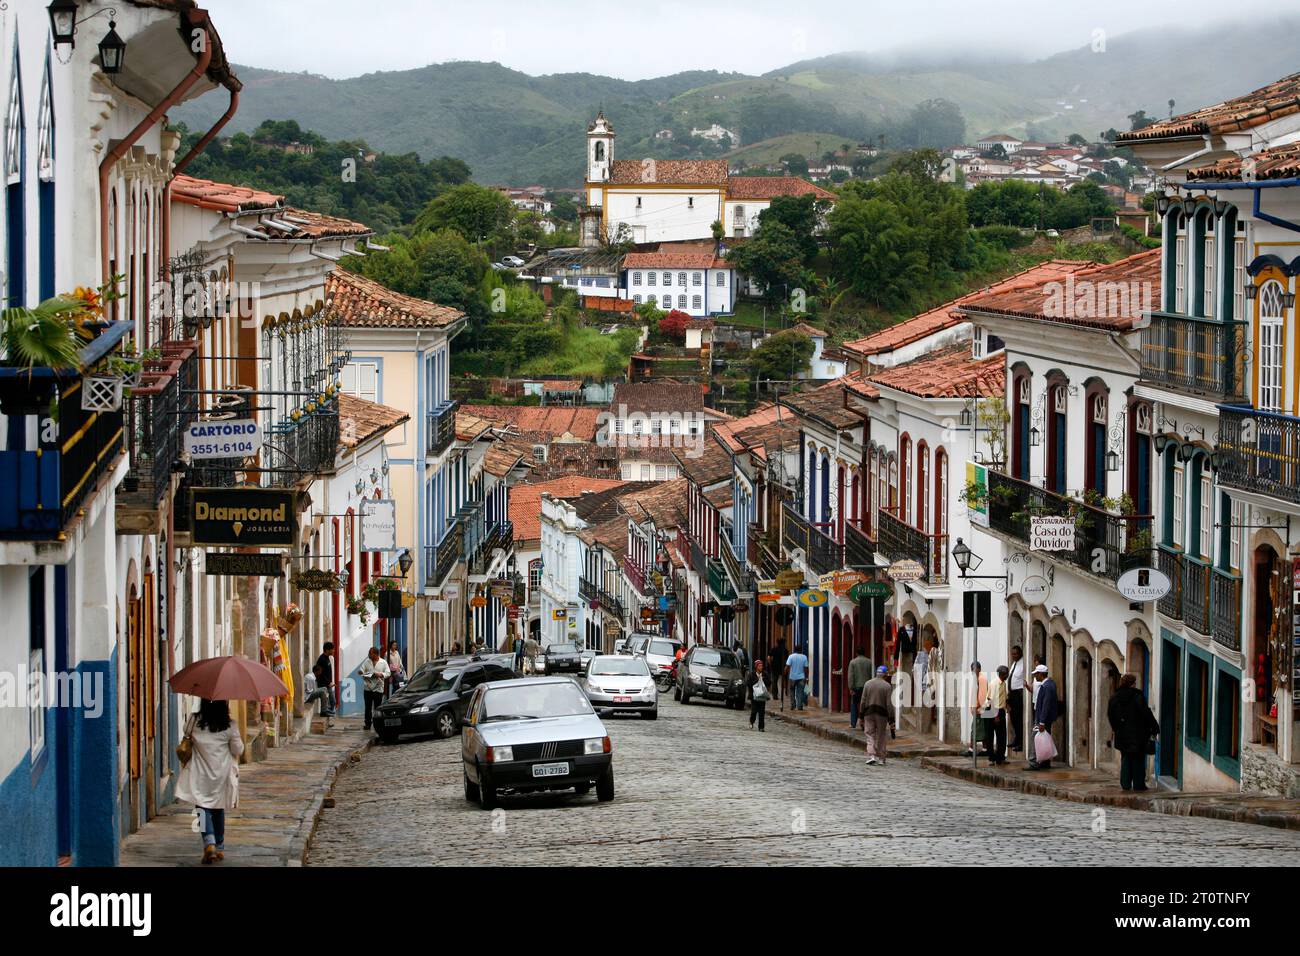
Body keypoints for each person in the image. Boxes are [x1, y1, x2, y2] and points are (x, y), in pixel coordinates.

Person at [175, 698, 244, 864]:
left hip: (200, 773)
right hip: (221, 773)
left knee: (202, 807)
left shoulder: (195, 720)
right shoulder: (230, 725)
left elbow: (186, 731)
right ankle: (218, 846)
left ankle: (209, 843)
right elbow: (238, 749)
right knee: (218, 807)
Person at [1108, 673, 1159, 791]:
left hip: (1122, 734)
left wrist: (1117, 729)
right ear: (1132, 684)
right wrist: (1155, 728)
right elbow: (1146, 714)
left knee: (1125, 758)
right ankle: (1138, 785)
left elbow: (1111, 716)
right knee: (1138, 760)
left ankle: (1125, 784)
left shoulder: (1114, 698)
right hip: (1138, 734)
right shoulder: (1138, 697)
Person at [1028, 663, 1059, 770]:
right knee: (1044, 740)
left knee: (1035, 738)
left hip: (1042, 719)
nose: (1035, 676)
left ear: (1041, 674)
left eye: (1036, 674)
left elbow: (1046, 705)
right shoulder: (1048, 684)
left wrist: (1041, 722)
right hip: (1043, 718)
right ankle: (1045, 762)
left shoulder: (1047, 686)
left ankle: (1034, 763)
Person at [862, 666, 894, 766]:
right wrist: (891, 718)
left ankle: (871, 755)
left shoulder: (867, 683)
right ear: (885, 675)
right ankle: (881, 758)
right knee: (881, 735)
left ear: (876, 673)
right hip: (882, 714)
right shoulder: (887, 686)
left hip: (869, 712)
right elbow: (889, 704)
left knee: (869, 734)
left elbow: (863, 701)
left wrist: (860, 714)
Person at [359, 646, 390, 731]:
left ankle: (377, 724)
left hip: (378, 688)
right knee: (367, 707)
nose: (369, 654)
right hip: (368, 688)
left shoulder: (383, 662)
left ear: (376, 654)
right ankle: (367, 724)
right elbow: (361, 670)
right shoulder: (367, 662)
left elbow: (388, 673)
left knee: (377, 707)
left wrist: (381, 674)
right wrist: (362, 672)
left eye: (371, 653)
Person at [965, 661, 990, 757]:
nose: (973, 672)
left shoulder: (981, 679)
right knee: (981, 729)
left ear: (979, 669)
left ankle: (971, 749)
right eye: (972, 670)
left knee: (975, 729)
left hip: (980, 709)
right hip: (979, 709)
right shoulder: (978, 678)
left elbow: (982, 696)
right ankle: (984, 748)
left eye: (974, 669)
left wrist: (978, 708)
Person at [986, 665, 1009, 765]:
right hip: (992, 710)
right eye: (1005, 674)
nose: (1007, 675)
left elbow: (1003, 697)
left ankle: (1000, 757)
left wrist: (1006, 706)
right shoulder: (994, 684)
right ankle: (991, 757)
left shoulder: (1003, 683)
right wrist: (995, 715)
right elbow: (991, 699)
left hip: (1000, 710)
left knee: (1002, 735)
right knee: (990, 735)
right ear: (1001, 674)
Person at [847, 646, 872, 731]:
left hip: (857, 687)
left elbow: (851, 676)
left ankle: (853, 723)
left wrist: (851, 687)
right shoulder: (870, 662)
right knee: (866, 706)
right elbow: (873, 674)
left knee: (854, 704)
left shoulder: (853, 662)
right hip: (867, 687)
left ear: (856, 653)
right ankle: (865, 722)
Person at [1007, 645, 1026, 752]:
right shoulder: (1014, 663)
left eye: (1016, 654)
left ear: (1020, 653)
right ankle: (1016, 739)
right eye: (1012, 654)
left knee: (1018, 719)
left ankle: (1020, 742)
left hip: (1018, 694)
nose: (1014, 655)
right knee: (1013, 719)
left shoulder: (1023, 663)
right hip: (1012, 694)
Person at [313, 642, 337, 720]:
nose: (334, 651)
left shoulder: (327, 658)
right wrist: (328, 683)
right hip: (324, 685)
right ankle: (325, 714)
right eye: (332, 649)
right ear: (327, 650)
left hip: (328, 684)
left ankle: (328, 718)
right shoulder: (322, 659)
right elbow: (320, 674)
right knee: (331, 701)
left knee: (331, 702)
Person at [747, 659, 772, 731]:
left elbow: (769, 682)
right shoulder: (752, 674)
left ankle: (761, 727)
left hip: (762, 696)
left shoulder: (765, 674)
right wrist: (757, 680)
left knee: (762, 712)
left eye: (762, 666)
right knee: (754, 711)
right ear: (756, 667)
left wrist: (763, 679)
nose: (761, 667)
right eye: (759, 666)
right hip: (754, 696)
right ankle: (751, 721)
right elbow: (748, 684)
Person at [785, 644, 810, 711]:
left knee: (792, 691)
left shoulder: (791, 656)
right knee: (800, 691)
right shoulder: (804, 657)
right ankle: (799, 706)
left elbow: (787, 666)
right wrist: (807, 677)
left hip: (792, 677)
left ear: (795, 650)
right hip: (801, 677)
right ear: (801, 650)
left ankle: (793, 705)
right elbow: (806, 668)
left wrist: (785, 673)